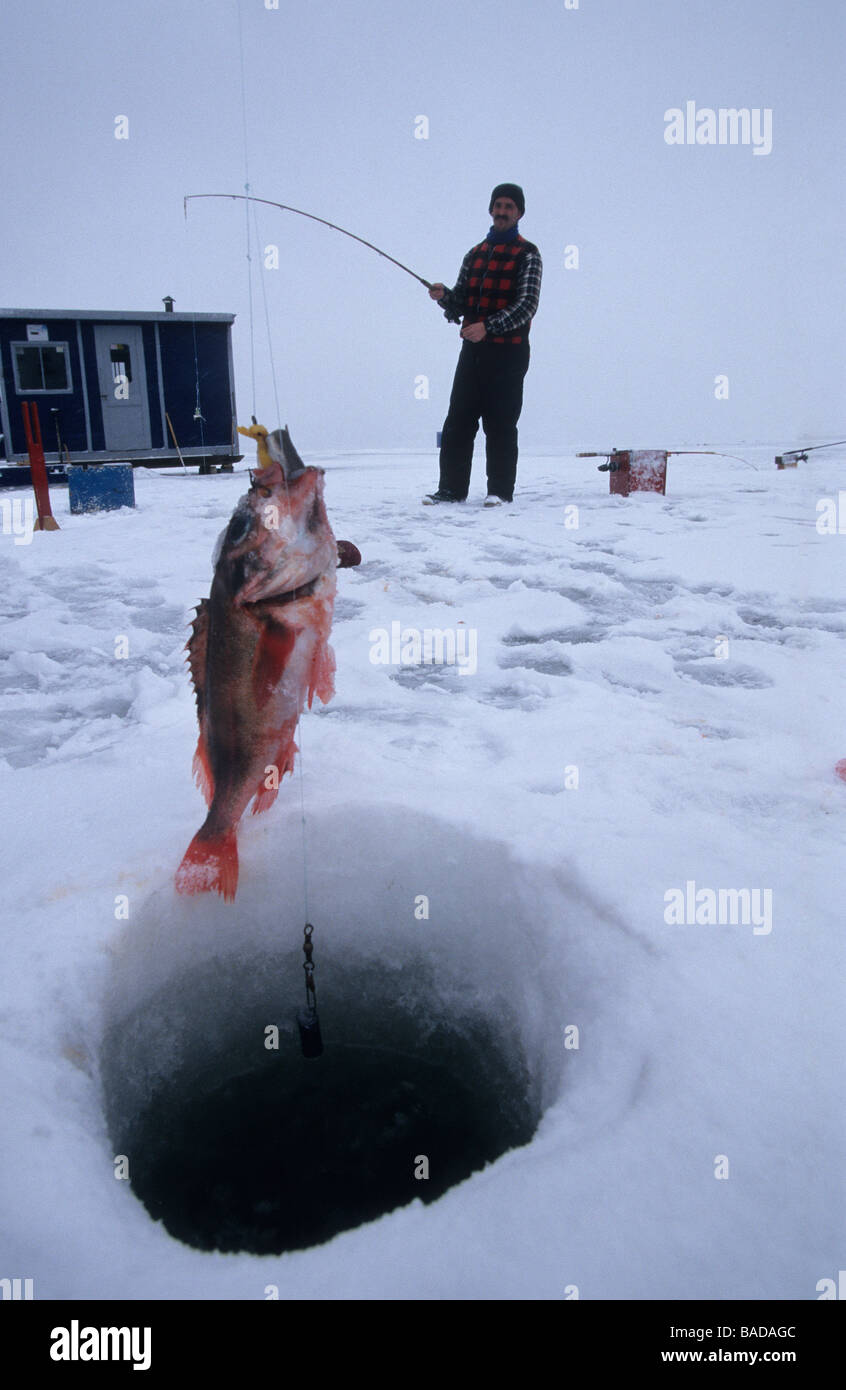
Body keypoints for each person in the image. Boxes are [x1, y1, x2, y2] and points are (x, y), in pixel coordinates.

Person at [424, 183, 542, 507]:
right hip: (472, 353)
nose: (502, 211)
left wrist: (487, 328)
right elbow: (460, 303)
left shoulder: (528, 253)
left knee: (501, 424)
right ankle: (450, 490)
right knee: (458, 421)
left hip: (509, 353)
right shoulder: (474, 254)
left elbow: (527, 305)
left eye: (509, 206)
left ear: (519, 213)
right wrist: (444, 295)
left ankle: (500, 493)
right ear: (491, 209)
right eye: (498, 205)